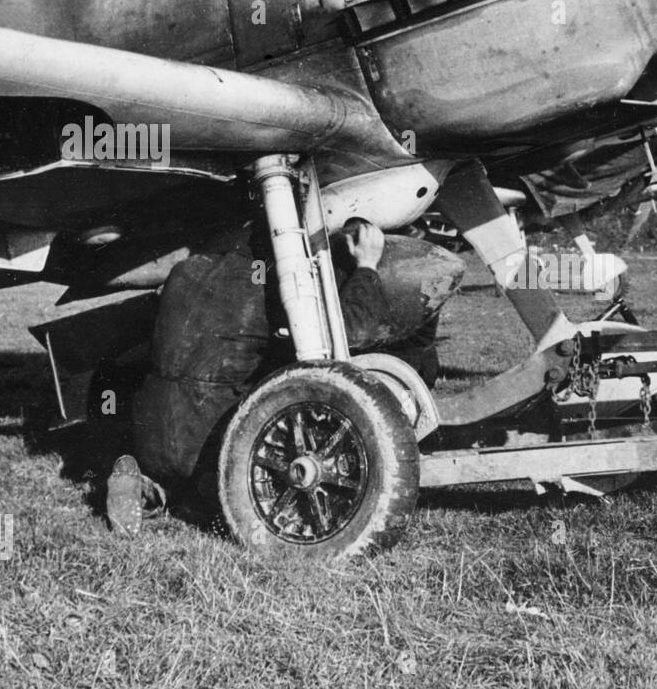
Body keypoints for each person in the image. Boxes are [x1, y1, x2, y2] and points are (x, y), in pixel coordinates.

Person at [105, 218, 461, 535]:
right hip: (213, 446)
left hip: (148, 432)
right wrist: (366, 267)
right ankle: (196, 500)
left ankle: (152, 485)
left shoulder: (186, 269)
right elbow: (350, 334)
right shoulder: (275, 284)